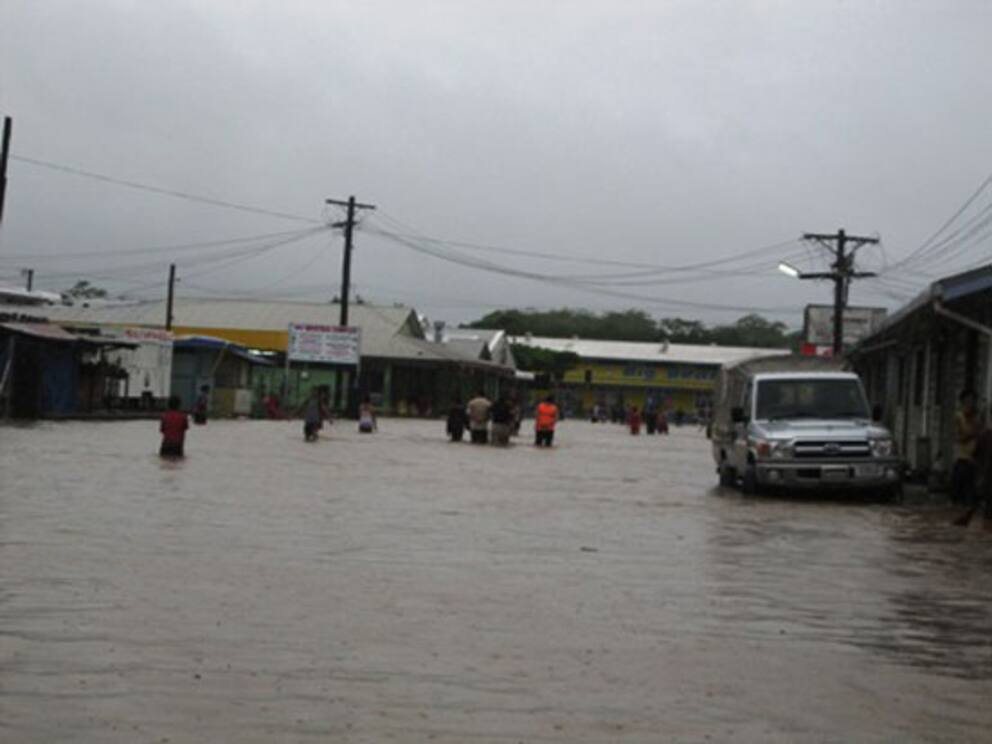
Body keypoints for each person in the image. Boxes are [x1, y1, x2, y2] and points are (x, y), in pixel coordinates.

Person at [951, 389, 984, 506]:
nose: (970, 404)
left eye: (972, 401)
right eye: (967, 401)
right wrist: (972, 433)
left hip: (976, 458)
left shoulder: (978, 417)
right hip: (962, 457)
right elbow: (958, 437)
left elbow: (982, 434)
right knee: (959, 489)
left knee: (973, 492)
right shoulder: (959, 417)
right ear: (963, 402)